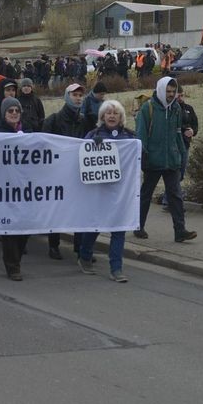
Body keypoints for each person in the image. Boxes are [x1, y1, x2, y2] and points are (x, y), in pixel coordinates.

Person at [78, 100, 134, 282]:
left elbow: (140, 157)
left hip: (120, 193)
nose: (111, 116)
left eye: (115, 113)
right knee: (96, 225)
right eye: (108, 113)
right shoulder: (93, 134)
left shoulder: (130, 137)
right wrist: (92, 146)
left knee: (119, 228)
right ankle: (84, 256)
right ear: (102, 116)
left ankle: (116, 268)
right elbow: (81, 157)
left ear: (121, 117)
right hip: (98, 192)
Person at [135, 77, 197, 243]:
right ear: (161, 90)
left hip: (171, 160)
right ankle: (138, 226)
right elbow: (141, 135)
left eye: (173, 92)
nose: (171, 95)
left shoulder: (176, 108)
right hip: (153, 161)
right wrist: (144, 156)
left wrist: (181, 154)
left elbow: (177, 132)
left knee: (176, 196)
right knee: (145, 195)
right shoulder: (147, 109)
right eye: (168, 91)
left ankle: (180, 231)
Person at [41, 82, 87, 260]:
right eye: (74, 95)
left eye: (80, 95)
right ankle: (54, 245)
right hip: (58, 174)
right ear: (67, 97)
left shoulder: (84, 120)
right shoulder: (54, 120)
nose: (78, 98)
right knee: (57, 210)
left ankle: (79, 248)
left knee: (79, 210)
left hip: (78, 173)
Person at [0, 97, 30, 280]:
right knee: (9, 228)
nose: (14, 113)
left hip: (24, 186)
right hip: (4, 187)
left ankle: (17, 257)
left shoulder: (27, 133)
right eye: (10, 111)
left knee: (24, 226)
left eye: (17, 110)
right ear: (4, 114)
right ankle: (12, 266)